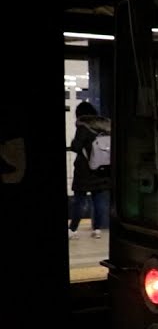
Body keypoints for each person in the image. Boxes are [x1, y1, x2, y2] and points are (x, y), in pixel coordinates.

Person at [67, 100, 111, 239]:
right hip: (102, 169)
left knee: (79, 200)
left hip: (84, 170)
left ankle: (73, 229)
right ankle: (97, 229)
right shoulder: (106, 126)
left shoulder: (83, 127)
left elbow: (76, 146)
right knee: (99, 200)